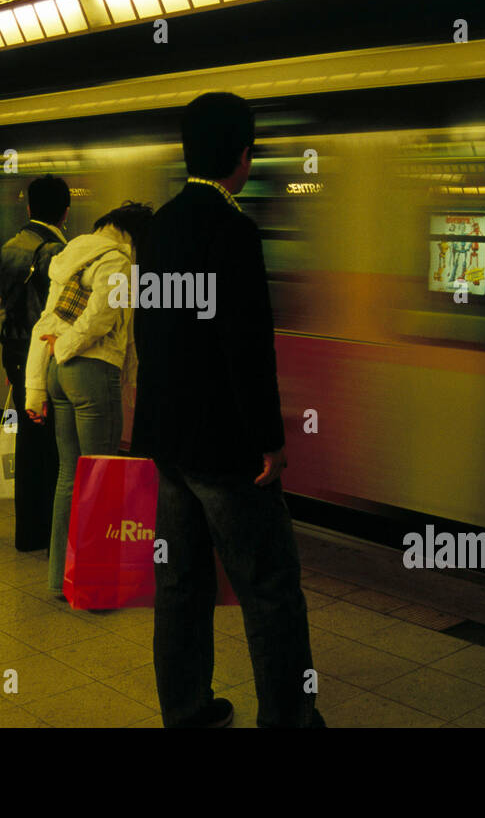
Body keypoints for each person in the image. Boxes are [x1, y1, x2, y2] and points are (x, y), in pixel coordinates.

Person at [132, 91, 324, 728]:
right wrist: (268, 440)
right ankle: (290, 720)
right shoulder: (233, 229)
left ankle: (185, 709)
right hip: (224, 446)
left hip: (170, 442)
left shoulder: (158, 225)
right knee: (269, 589)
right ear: (243, 155)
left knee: (181, 584)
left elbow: (148, 332)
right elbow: (246, 347)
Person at [26, 201, 154, 594]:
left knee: (69, 475)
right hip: (91, 371)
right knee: (101, 478)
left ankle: (59, 579)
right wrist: (68, 347)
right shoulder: (116, 261)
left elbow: (45, 322)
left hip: (58, 375)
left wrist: (36, 385)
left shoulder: (70, 257)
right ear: (134, 235)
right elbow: (101, 317)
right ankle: (93, 586)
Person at [0, 174, 70, 551]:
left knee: (30, 441)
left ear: (28, 207)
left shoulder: (12, 244)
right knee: (52, 442)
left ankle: (28, 531)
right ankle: (48, 530)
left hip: (13, 350)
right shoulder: (57, 250)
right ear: (66, 211)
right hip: (42, 352)